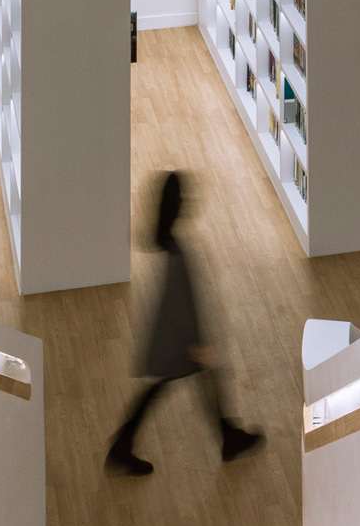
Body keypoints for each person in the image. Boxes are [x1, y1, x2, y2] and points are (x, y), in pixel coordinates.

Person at [105, 170, 263, 478]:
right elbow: (179, 304)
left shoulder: (171, 244)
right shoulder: (177, 253)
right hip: (179, 339)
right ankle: (123, 447)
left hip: (172, 336)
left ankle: (225, 435)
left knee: (169, 385)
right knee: (171, 385)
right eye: (183, 199)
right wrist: (197, 343)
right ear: (175, 206)